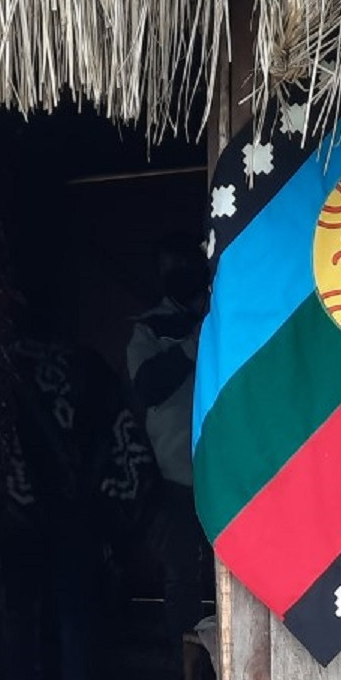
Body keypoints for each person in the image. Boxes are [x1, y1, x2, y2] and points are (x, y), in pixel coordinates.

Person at [0, 321, 159, 680]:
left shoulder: (8, 367)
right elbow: (117, 433)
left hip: (33, 505)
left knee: (30, 606)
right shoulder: (80, 365)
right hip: (65, 504)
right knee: (68, 606)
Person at [125, 238, 213, 650]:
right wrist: (192, 346)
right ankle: (186, 674)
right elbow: (148, 386)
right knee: (181, 575)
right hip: (176, 473)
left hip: (231, 470)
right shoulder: (151, 327)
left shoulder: (227, 317)